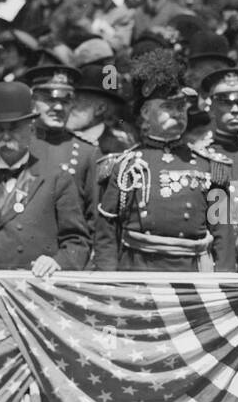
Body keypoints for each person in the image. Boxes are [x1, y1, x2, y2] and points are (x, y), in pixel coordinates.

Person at [95, 52, 230, 271]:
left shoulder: (210, 166)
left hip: (192, 277)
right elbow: (107, 233)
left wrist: (224, 283)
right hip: (138, 274)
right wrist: (108, 285)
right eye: (168, 107)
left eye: (181, 107)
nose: (178, 114)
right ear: (146, 113)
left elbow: (222, 233)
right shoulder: (125, 167)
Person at [0, 81, 90, 276]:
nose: (7, 136)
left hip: (37, 293)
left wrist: (57, 262)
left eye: (14, 128)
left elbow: (77, 242)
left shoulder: (57, 180)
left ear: (31, 129)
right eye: (0, 129)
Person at [21, 64, 99, 229]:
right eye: (49, 100)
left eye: (65, 101)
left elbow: (94, 218)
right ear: (32, 101)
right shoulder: (15, 145)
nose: (58, 107)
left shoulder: (87, 152)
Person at [199, 67, 238, 272]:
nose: (234, 109)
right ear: (211, 107)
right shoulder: (198, 154)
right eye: (225, 101)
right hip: (213, 259)